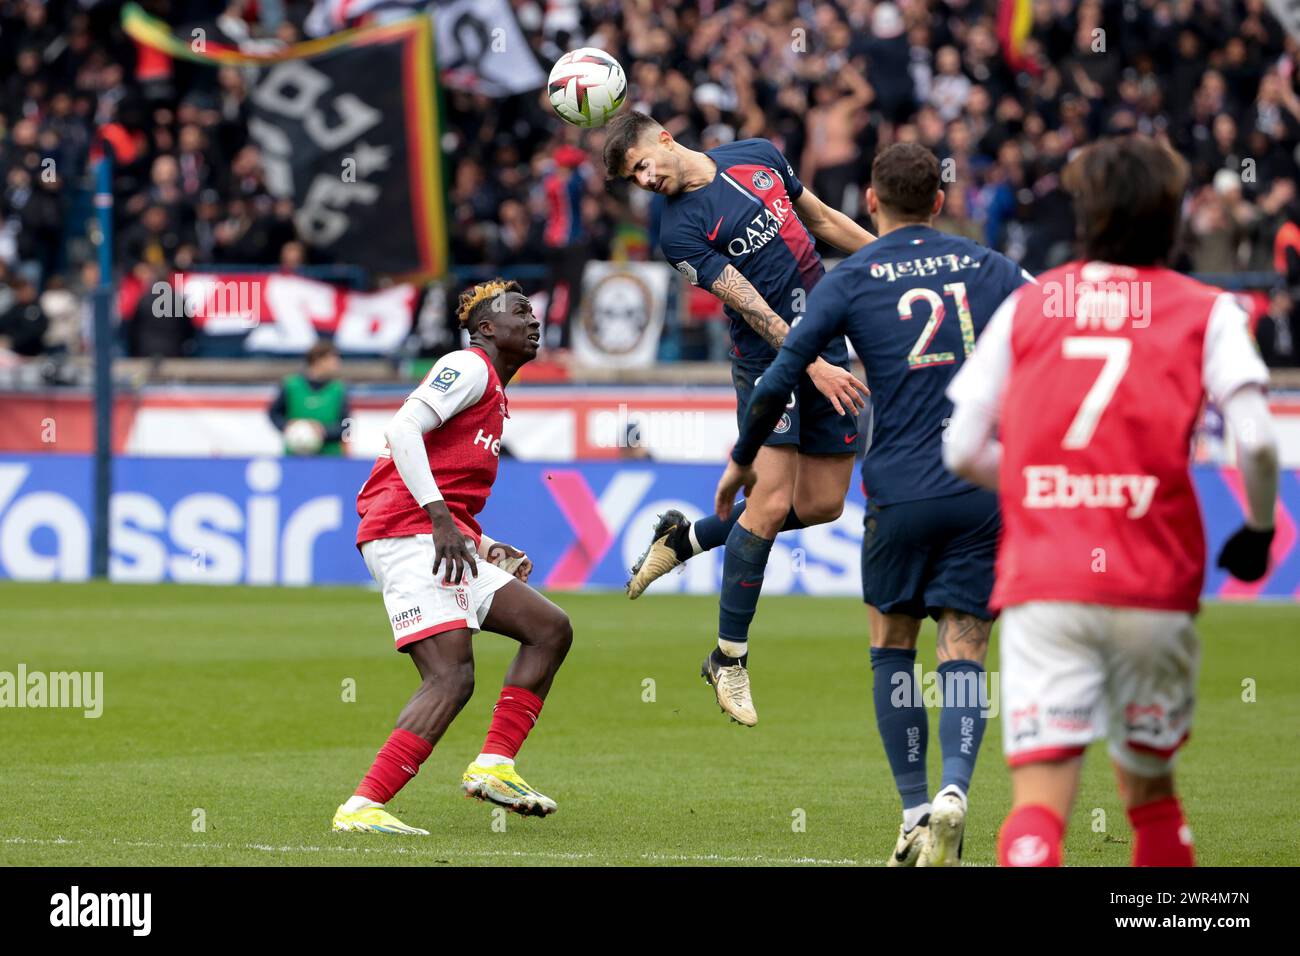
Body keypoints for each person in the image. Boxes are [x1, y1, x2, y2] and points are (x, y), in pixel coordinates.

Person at [943, 135, 1280, 867]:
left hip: (1047, 580)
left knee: (1037, 811)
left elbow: (962, 445)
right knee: (1154, 798)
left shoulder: (1033, 305)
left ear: (1085, 211)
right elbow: (1255, 441)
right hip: (1153, 584)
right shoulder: (1208, 308)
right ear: (1172, 216)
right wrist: (1257, 529)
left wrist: (1045, 488)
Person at [713, 142, 1032, 866]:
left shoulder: (852, 279)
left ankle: (915, 809)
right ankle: (955, 792)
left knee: (892, 649)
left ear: (870, 201)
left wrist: (740, 465)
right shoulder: (991, 268)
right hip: (983, 488)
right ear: (942, 202)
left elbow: (774, 381)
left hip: (899, 489)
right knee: (965, 649)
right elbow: (1051, 327)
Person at [605, 109, 873, 727]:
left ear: (665, 140)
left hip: (827, 343)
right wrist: (811, 366)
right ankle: (728, 658)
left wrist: (900, 257)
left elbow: (827, 221)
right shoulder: (677, 232)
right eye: (632, 178)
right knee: (773, 502)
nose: (643, 179)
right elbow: (752, 309)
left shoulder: (757, 153)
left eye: (643, 164)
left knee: (827, 503)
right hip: (771, 364)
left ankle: (686, 538)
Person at [332, 280, 574, 835]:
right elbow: (403, 428)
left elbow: (446, 477)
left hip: (438, 533)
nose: (532, 320)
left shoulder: (492, 390)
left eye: (533, 312)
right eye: (519, 312)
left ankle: (494, 765)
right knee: (450, 677)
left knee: (548, 628)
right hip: (408, 533)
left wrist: (482, 543)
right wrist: (441, 518)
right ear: (486, 328)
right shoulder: (466, 366)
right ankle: (363, 805)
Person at [268, 340, 351, 456]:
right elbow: (274, 414)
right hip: (295, 457)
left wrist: (324, 431)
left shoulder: (338, 389)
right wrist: (288, 426)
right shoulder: (291, 385)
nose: (337, 363)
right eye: (333, 359)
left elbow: (347, 425)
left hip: (330, 459)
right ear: (318, 360)